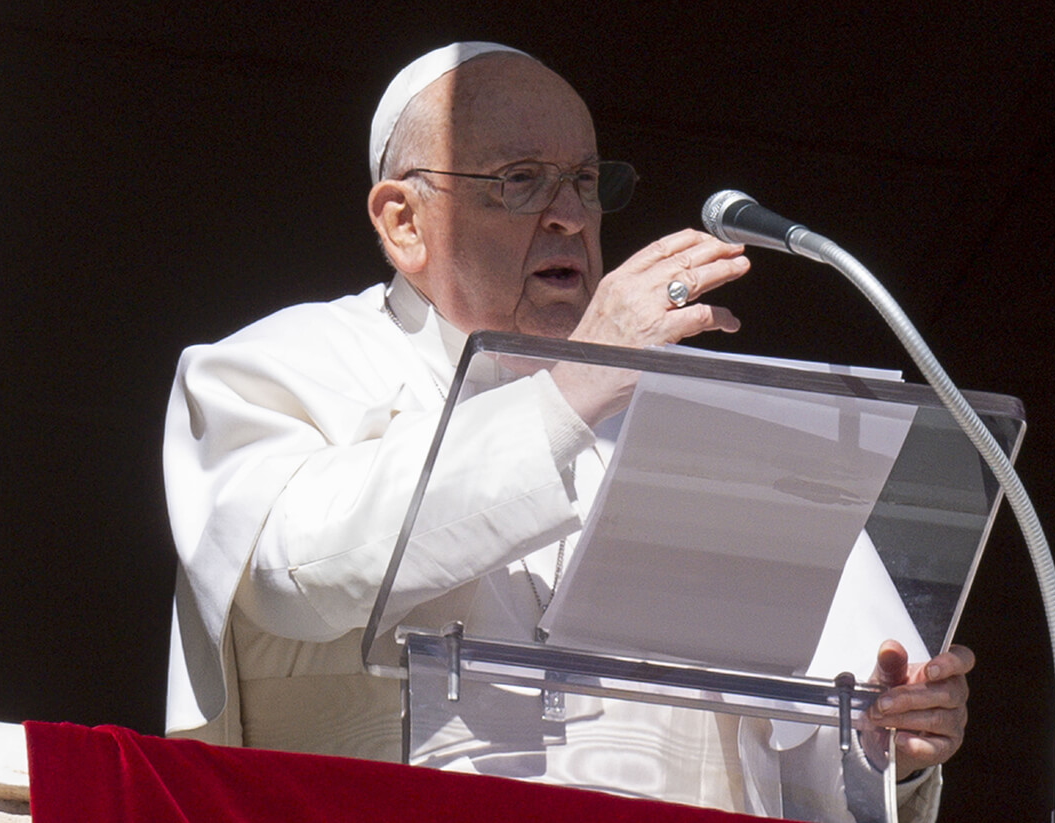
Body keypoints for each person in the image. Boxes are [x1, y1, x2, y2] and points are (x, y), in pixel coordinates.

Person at [163, 43, 972, 821]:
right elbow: (290, 574)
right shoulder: (281, 366)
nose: (570, 216)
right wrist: (572, 392)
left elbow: (790, 740)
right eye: (520, 181)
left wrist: (885, 739)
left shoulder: (717, 415)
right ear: (405, 222)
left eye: (585, 181)